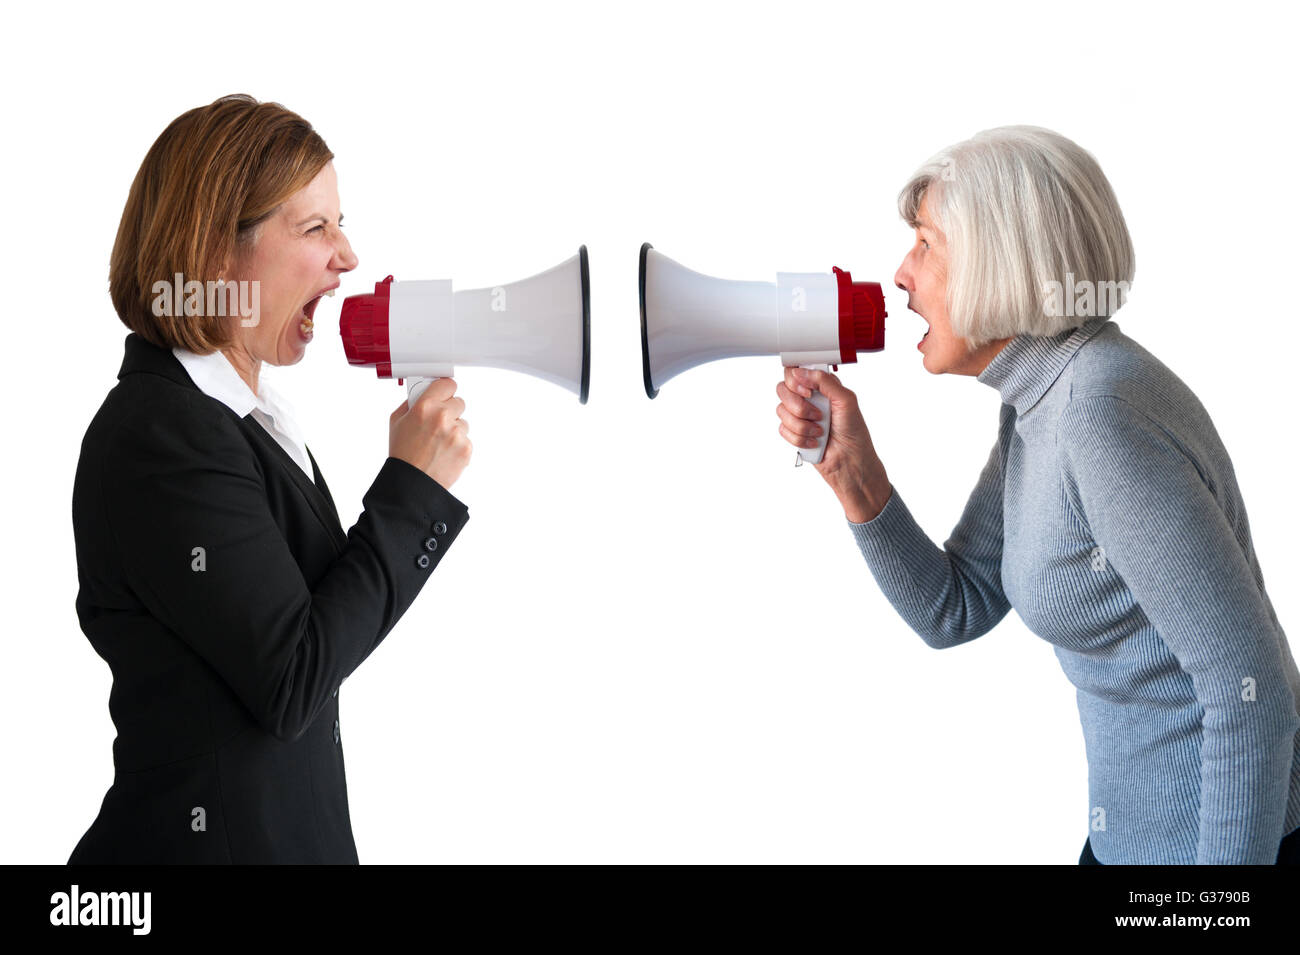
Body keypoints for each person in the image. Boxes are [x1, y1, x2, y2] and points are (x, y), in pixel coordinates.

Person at [776, 125, 1300, 864]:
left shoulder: (1099, 415)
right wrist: (851, 472)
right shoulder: (1041, 402)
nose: (900, 272)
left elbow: (1252, 689)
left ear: (1000, 261)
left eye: (926, 243)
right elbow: (954, 606)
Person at [68, 94, 472, 863]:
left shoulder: (245, 420)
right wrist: (414, 492)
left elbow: (308, 639)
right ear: (218, 254)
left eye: (342, 223)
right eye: (315, 227)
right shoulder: (162, 434)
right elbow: (292, 676)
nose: (347, 256)